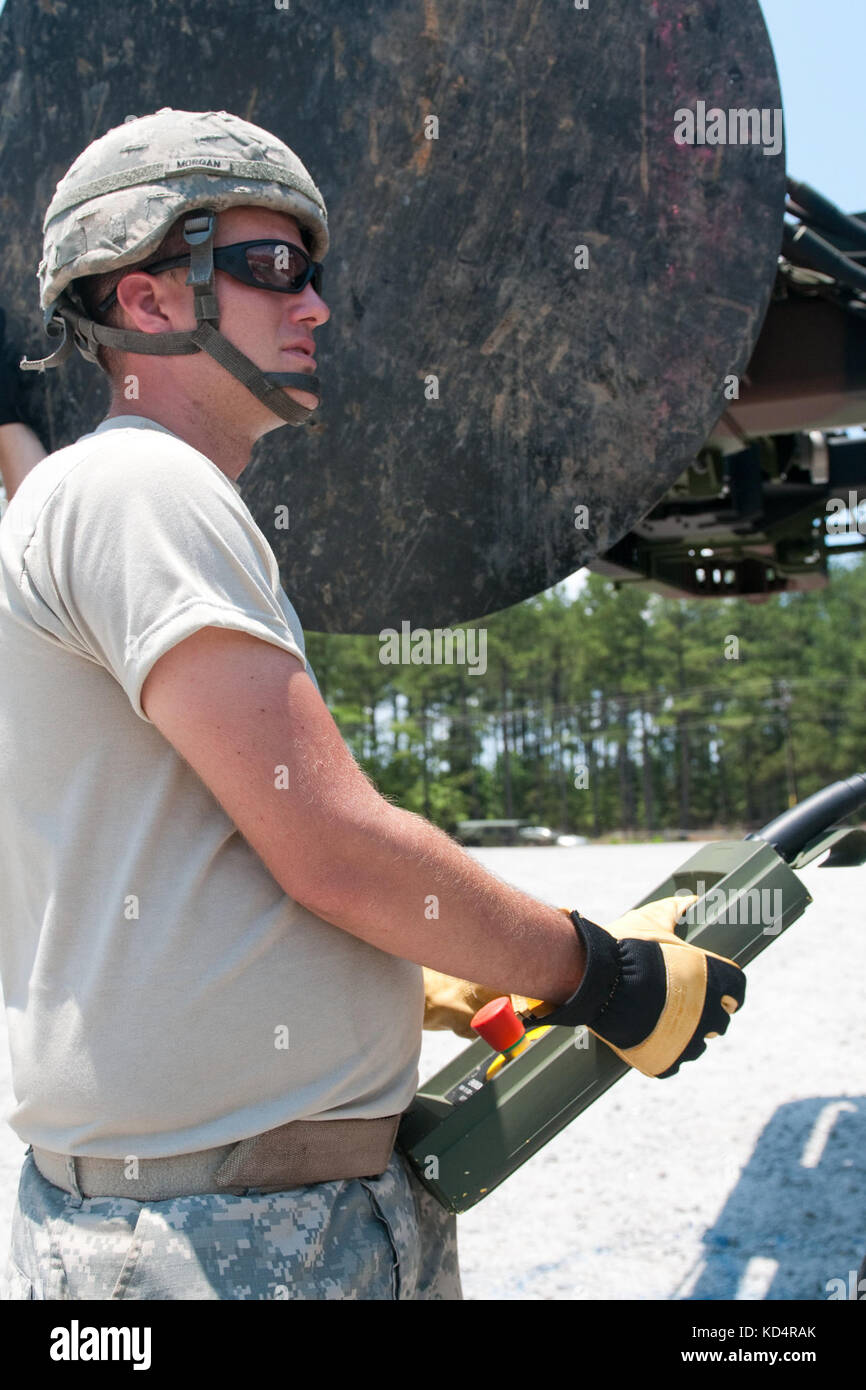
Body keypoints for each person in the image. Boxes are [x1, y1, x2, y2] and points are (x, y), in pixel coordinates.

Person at [0, 108, 745, 1301]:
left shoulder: (112, 498)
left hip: (235, 1215)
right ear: (145, 303)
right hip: (220, 1236)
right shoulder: (139, 483)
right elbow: (332, 846)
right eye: (272, 267)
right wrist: (601, 973)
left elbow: (229, 838)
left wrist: (411, 963)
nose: (315, 306)